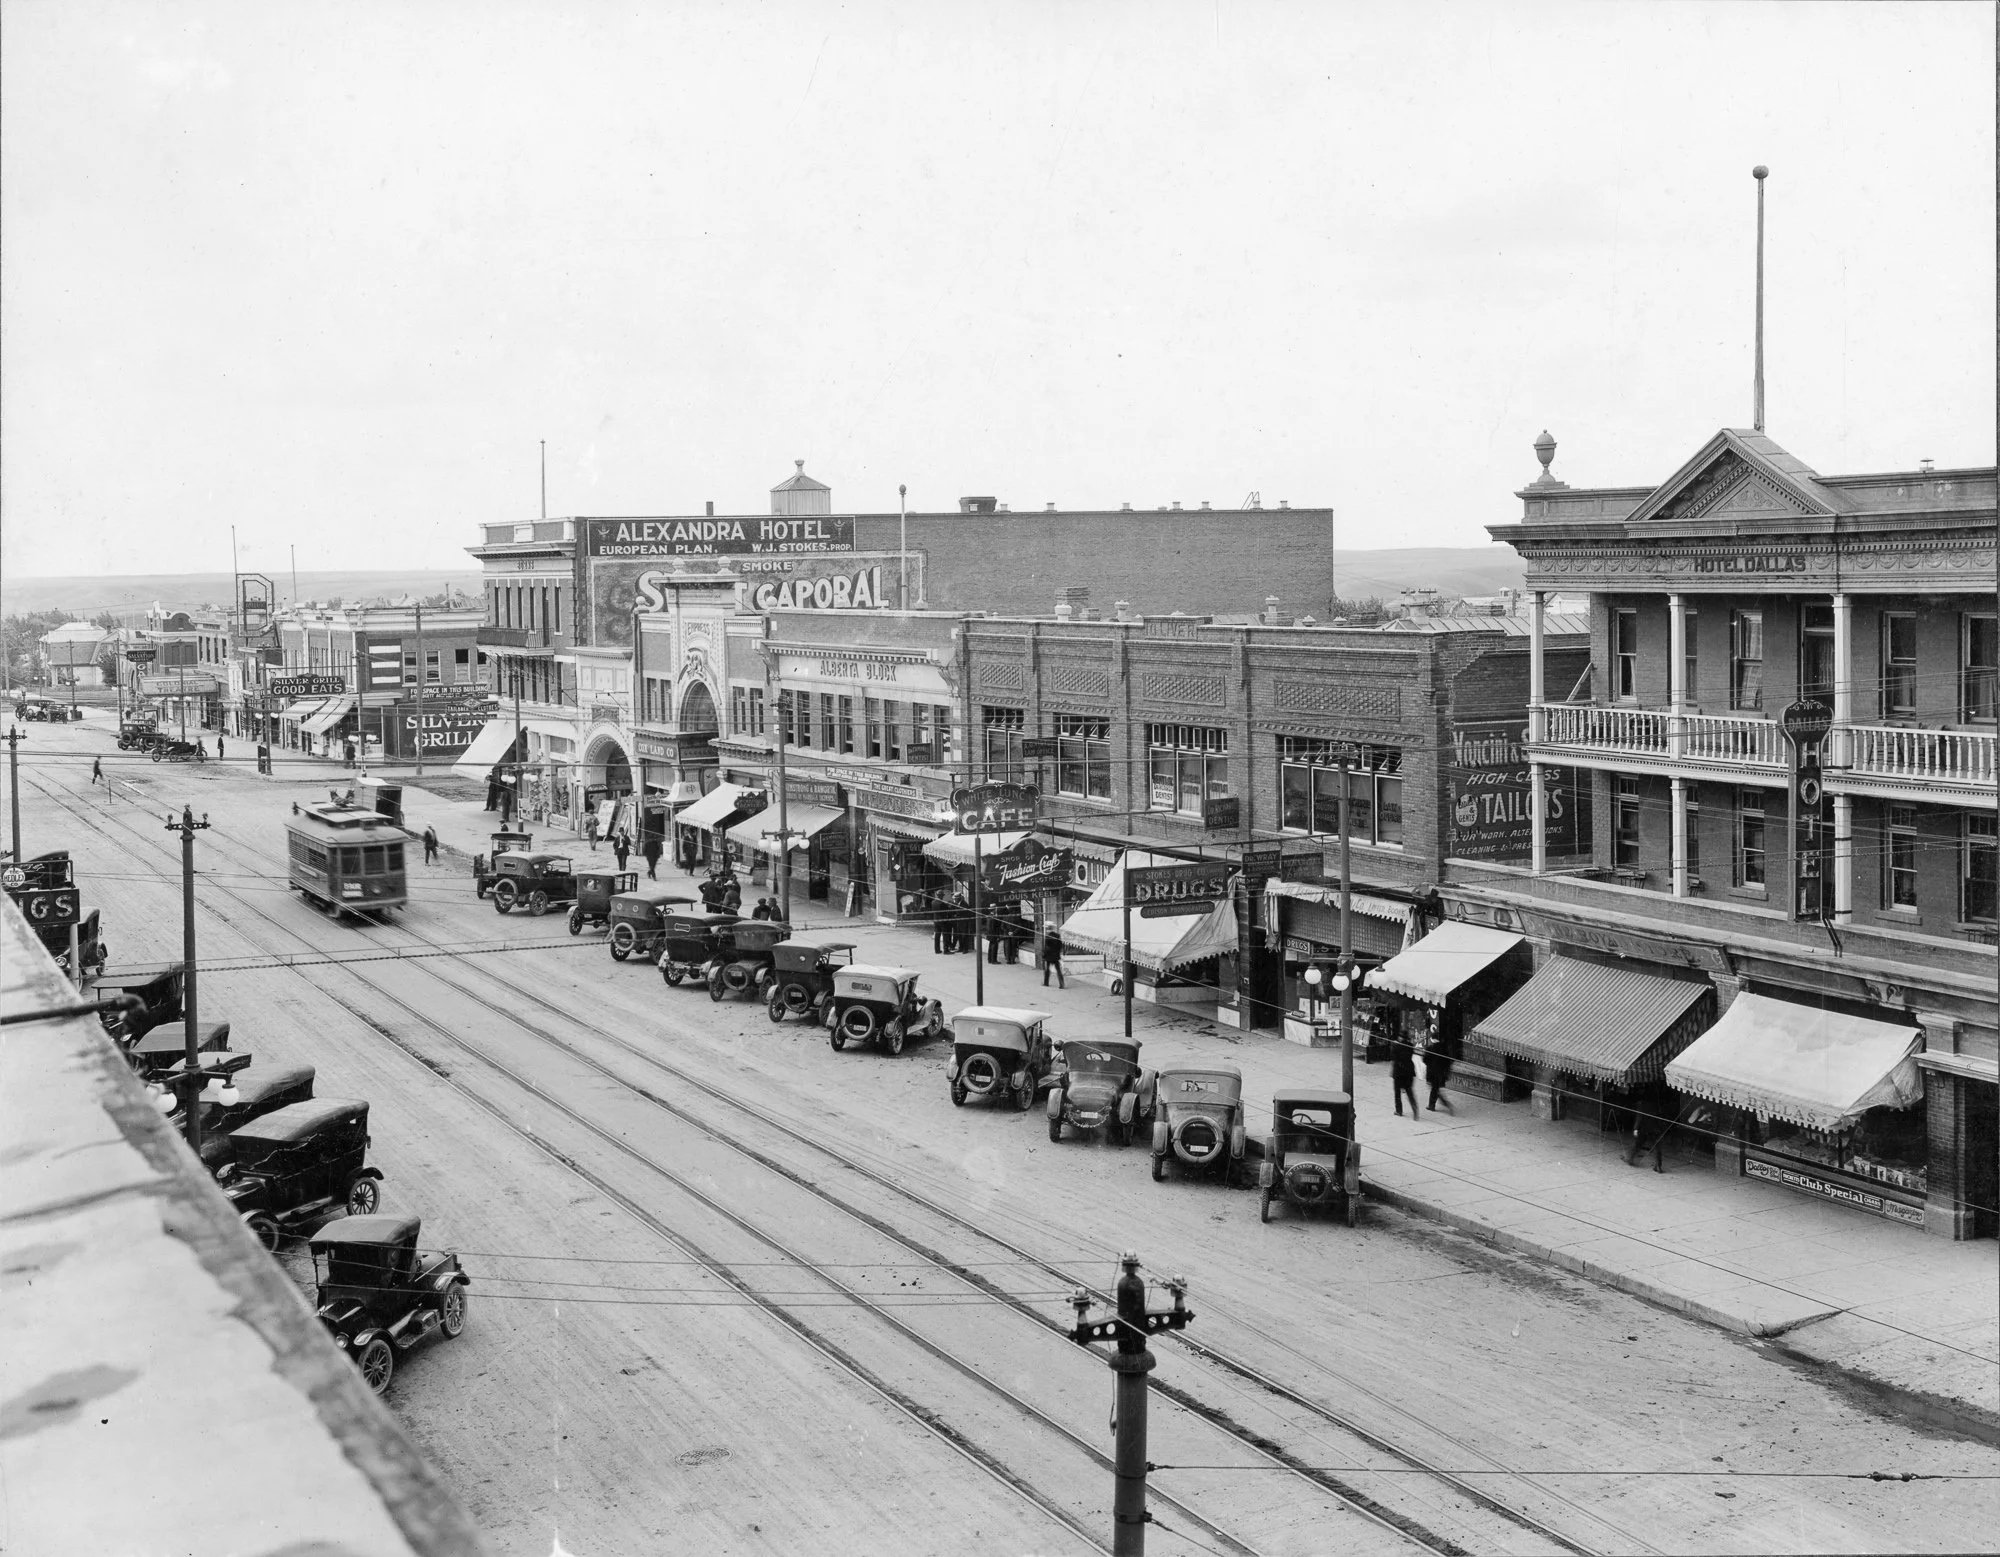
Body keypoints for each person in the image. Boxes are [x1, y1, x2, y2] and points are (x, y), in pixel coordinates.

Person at [1423, 1044, 1456, 1114]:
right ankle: (1431, 1105)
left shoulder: (1430, 1048)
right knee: (1435, 1089)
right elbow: (1448, 1062)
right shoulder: (1444, 1048)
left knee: (1435, 1090)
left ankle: (1446, 1105)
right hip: (1440, 1074)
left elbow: (1425, 1060)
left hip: (1432, 1073)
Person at [1391, 1040, 1420, 1119]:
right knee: (1409, 1091)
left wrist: (1394, 1046)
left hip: (1399, 1072)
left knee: (1397, 1093)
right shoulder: (1410, 1046)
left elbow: (1393, 1056)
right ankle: (1414, 1107)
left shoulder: (1397, 1046)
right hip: (1408, 1071)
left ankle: (1399, 1110)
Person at [1041, 925, 1065, 989]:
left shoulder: (1047, 937)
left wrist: (1044, 955)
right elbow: (1060, 946)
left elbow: (1046, 948)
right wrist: (1058, 953)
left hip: (1049, 956)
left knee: (1047, 970)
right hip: (1056, 956)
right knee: (1058, 970)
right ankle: (1062, 984)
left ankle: (1046, 983)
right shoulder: (1058, 936)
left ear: (1048, 929)